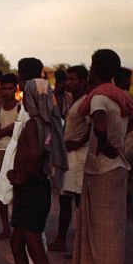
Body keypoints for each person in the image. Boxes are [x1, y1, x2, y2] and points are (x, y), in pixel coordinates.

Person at [7, 60, 68, 264]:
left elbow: (34, 154)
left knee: (33, 246)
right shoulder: (51, 122)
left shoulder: (34, 124)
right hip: (35, 189)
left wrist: (20, 175)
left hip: (30, 189)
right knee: (17, 242)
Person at [73, 49, 133, 264]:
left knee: (99, 234)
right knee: (112, 231)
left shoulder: (99, 97)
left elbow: (99, 123)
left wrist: (105, 145)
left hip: (102, 169)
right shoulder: (119, 95)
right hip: (116, 168)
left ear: (95, 69)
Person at [49, 65, 90, 253]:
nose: (68, 83)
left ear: (83, 81)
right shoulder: (73, 99)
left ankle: (80, 245)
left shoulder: (86, 101)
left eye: (73, 79)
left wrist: (80, 141)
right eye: (67, 79)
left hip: (79, 155)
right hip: (70, 155)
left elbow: (93, 125)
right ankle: (61, 240)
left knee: (79, 201)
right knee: (65, 199)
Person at [0, 74, 21, 240]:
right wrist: (8, 129)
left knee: (16, 192)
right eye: (4, 88)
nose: (7, 92)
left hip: (15, 153)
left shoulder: (21, 108)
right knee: (1, 193)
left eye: (10, 88)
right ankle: (5, 228)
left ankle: (16, 227)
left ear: (16, 89)